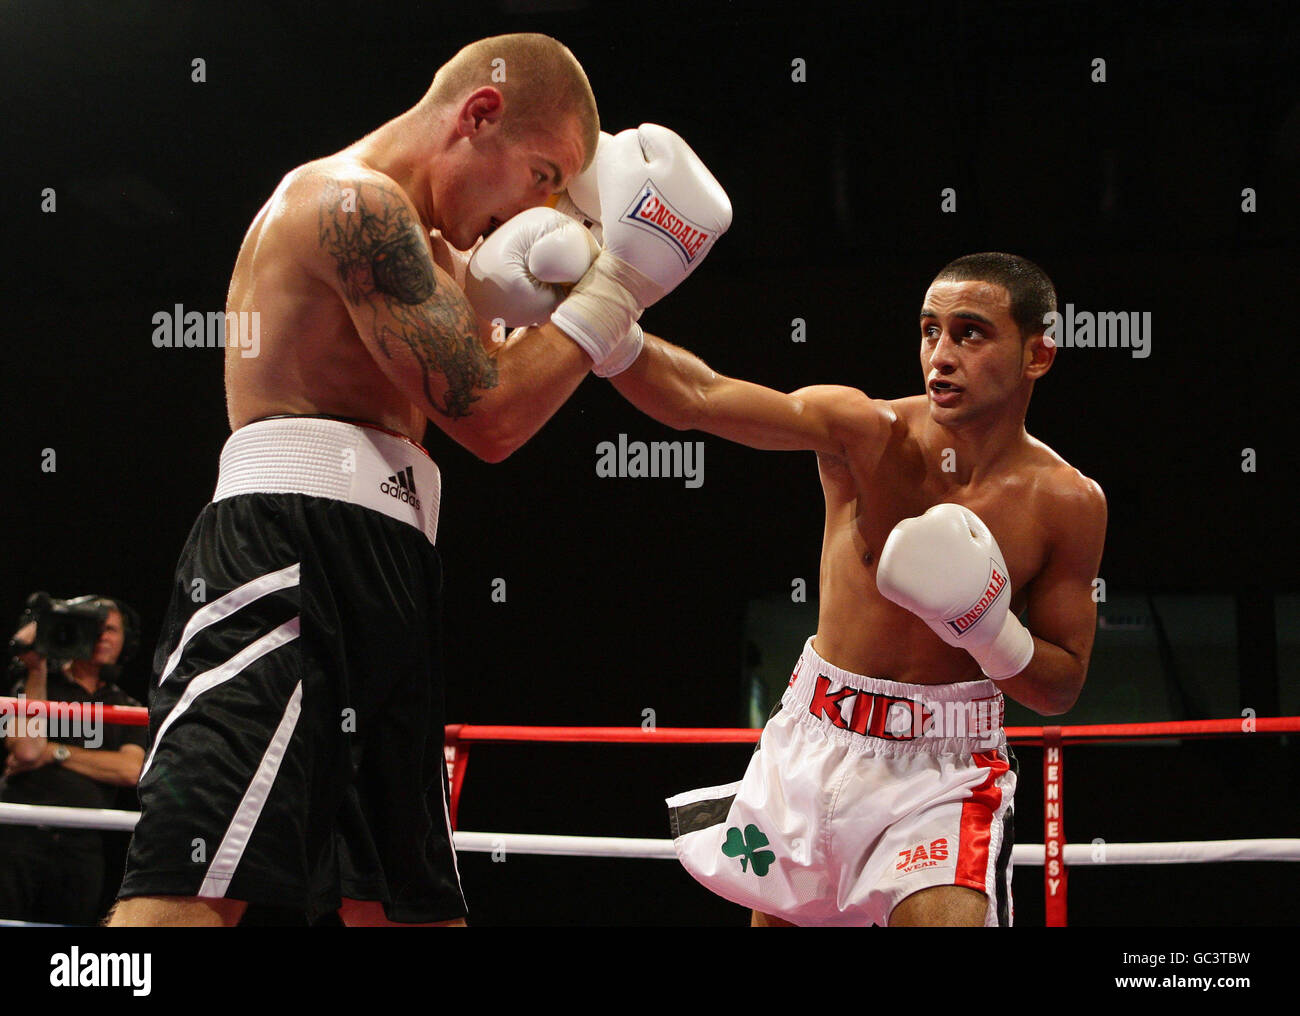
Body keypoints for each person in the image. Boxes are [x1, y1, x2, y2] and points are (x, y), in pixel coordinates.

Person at [109, 32, 730, 927]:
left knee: (408, 906)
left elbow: (515, 400)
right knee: (195, 882)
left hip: (392, 566)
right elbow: (490, 414)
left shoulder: (442, 261)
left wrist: (587, 298)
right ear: (481, 114)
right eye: (544, 175)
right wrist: (621, 283)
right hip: (285, 553)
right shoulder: (350, 205)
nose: (545, 206)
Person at [608, 252, 1107, 926]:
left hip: (946, 772)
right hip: (815, 743)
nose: (941, 354)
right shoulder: (866, 433)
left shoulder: (1067, 502)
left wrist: (991, 630)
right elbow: (699, 398)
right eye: (930, 330)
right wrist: (594, 315)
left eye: (970, 333)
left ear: (1037, 355)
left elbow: (1061, 688)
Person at [1, 599, 146, 925]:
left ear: (126, 639)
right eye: (92, 626)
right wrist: (36, 666)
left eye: (110, 628)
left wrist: (56, 752)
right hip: (17, 837)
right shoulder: (36, 686)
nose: (101, 636)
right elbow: (26, 749)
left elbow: (131, 770)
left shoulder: (128, 705)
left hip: (82, 846)